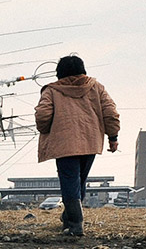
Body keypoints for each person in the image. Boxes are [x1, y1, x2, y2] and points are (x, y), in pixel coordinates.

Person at [34, 55, 119, 237]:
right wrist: (113, 137)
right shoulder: (96, 87)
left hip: (64, 144)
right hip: (90, 141)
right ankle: (68, 218)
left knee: (70, 182)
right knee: (79, 182)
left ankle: (75, 225)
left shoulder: (52, 90)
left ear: (59, 73)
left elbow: (42, 115)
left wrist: (46, 129)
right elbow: (110, 112)